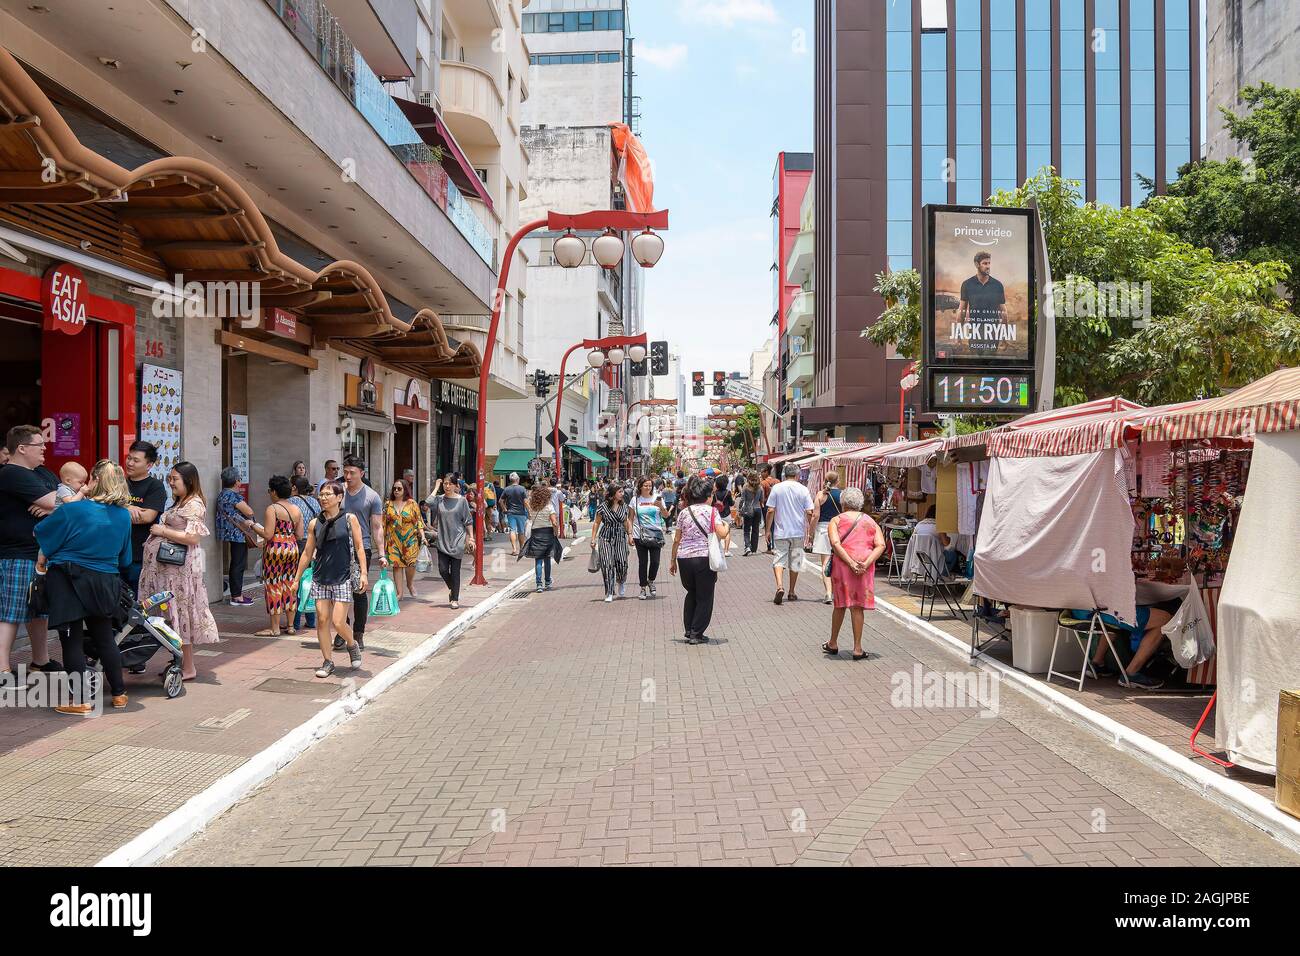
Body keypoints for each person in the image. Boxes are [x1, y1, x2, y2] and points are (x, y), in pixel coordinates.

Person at [36, 459, 134, 715]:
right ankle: (119, 694)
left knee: (72, 641)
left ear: (96, 481)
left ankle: (79, 700)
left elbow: (43, 533)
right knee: (105, 638)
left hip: (68, 579)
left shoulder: (74, 510)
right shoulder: (124, 515)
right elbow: (125, 558)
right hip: (106, 581)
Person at [138, 461, 221, 682]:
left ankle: (188, 666)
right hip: (167, 571)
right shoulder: (179, 502)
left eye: (175, 479)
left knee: (181, 612)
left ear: (188, 480)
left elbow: (192, 537)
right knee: (171, 613)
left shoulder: (194, 504)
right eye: (170, 478)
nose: (171, 482)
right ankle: (179, 661)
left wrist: (162, 530)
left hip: (180, 572)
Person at [0, 424, 61, 679]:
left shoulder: (43, 473)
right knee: (10, 612)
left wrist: (54, 506)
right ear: (22, 448)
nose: (45, 448)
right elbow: (57, 501)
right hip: (17, 554)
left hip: (41, 554)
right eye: (39, 445)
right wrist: (54, 505)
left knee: (38, 611)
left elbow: (63, 500)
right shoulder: (11, 473)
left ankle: (40, 660)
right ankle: (2, 668)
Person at [292, 480, 364, 678]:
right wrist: (297, 578)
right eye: (321, 495)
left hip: (342, 577)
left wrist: (364, 573)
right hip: (320, 576)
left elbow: (359, 548)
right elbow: (307, 553)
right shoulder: (315, 523)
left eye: (328, 494)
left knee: (338, 622)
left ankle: (352, 643)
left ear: (339, 498)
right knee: (322, 620)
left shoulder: (350, 519)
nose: (323, 498)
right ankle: (327, 661)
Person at [824, 487, 885, 661]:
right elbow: (880, 545)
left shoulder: (836, 520)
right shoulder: (870, 521)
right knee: (857, 606)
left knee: (840, 604)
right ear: (860, 503)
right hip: (863, 565)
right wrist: (865, 563)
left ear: (843, 503)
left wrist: (850, 563)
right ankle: (857, 648)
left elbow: (835, 543)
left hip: (843, 566)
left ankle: (833, 642)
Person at [669, 475, 729, 645]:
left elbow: (676, 539)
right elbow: (722, 533)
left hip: (684, 559)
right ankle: (696, 633)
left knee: (692, 593)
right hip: (703, 558)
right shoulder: (712, 511)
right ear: (707, 496)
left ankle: (689, 629)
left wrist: (673, 560)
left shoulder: (683, 512)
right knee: (705, 596)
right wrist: (727, 525)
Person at [336, 456, 385, 652]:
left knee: (359, 592)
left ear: (362, 474)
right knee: (338, 592)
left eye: (352, 473)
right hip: (337, 547)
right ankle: (342, 631)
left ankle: (358, 634)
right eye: (345, 472)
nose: (347, 476)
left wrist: (381, 553)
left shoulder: (372, 496)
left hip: (360, 548)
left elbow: (377, 526)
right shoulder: (337, 492)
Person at [250, 475, 302, 637]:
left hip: (275, 550)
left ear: (274, 491)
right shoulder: (296, 509)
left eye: (269, 490)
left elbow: (268, 534)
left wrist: (252, 525)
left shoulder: (272, 509)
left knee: (274, 586)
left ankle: (275, 628)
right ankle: (291, 626)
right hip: (292, 548)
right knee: (289, 585)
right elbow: (300, 535)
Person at [766, 462, 816, 605]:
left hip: (781, 531)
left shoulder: (777, 488)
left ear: (784, 474)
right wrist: (811, 532)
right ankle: (792, 591)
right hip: (798, 531)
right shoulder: (803, 489)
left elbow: (770, 510)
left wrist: (767, 530)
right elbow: (809, 512)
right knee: (795, 561)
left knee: (779, 560)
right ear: (798, 474)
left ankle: (780, 586)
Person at [122, 440, 167, 594]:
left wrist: (118, 510)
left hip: (139, 555)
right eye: (129, 458)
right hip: (115, 553)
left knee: (136, 599)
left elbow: (147, 517)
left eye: (136, 460)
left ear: (149, 465)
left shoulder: (155, 486)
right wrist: (128, 508)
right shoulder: (119, 483)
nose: (130, 463)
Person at [215, 467, 258, 606]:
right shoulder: (233, 495)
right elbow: (249, 511)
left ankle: (235, 593)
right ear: (236, 481)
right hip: (237, 532)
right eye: (239, 479)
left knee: (236, 562)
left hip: (226, 530)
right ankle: (237, 596)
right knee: (238, 563)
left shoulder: (222, 494)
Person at [431, 472, 474, 610]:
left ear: (456, 485)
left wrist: (471, 538)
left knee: (455, 572)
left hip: (458, 540)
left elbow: (468, 521)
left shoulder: (462, 501)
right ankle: (453, 588)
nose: (447, 486)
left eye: (450, 484)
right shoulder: (439, 499)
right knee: (443, 570)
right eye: (445, 483)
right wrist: (436, 486)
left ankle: (454, 598)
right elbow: (427, 503)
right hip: (442, 540)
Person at [289, 476, 321, 632]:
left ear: (294, 487)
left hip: (298, 545)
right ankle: (310, 619)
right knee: (309, 580)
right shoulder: (315, 501)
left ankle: (294, 622)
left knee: (297, 581)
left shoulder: (291, 502)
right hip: (313, 544)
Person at [591, 484, 634, 602]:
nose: (622, 494)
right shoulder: (602, 507)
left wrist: (630, 535)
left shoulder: (624, 506)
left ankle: (621, 581)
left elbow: (626, 522)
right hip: (605, 536)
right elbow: (596, 523)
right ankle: (609, 591)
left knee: (622, 562)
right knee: (607, 564)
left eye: (622, 492)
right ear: (613, 493)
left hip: (620, 535)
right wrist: (593, 539)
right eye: (620, 492)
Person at [384, 478, 425, 600]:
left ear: (405, 489)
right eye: (394, 488)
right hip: (393, 540)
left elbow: (419, 522)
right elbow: (383, 523)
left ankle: (410, 584)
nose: (396, 491)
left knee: (411, 564)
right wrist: (383, 541)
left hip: (410, 539)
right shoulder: (388, 504)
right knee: (397, 566)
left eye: (399, 488)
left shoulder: (412, 504)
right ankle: (399, 593)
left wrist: (422, 537)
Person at [632, 476, 669, 600]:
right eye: (645, 485)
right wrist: (629, 534)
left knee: (655, 561)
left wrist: (661, 506)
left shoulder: (657, 497)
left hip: (655, 534)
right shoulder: (635, 500)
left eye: (650, 485)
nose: (648, 488)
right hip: (639, 535)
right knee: (643, 563)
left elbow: (666, 515)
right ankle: (643, 588)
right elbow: (630, 518)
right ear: (640, 487)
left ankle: (651, 580)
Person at [812, 472, 844, 605]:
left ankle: (828, 593)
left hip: (823, 530)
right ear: (838, 481)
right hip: (839, 529)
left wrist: (810, 531)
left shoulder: (820, 495)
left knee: (825, 563)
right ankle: (839, 592)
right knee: (840, 562)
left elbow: (815, 516)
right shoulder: (843, 495)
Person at [524, 484, 559, 593]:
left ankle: (539, 584)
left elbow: (530, 518)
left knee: (538, 559)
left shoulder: (533, 507)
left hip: (536, 533)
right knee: (547, 558)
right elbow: (554, 522)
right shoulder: (549, 507)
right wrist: (556, 531)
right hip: (547, 533)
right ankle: (547, 581)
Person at [499, 472, 529, 557]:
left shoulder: (507, 489)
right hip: (521, 513)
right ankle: (522, 549)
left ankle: (514, 549)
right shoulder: (522, 489)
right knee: (521, 531)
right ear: (517, 479)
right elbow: (526, 502)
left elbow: (500, 501)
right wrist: (529, 512)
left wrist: (504, 509)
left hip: (510, 513)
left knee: (512, 530)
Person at [738, 471, 764, 557]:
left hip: (748, 510)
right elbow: (762, 500)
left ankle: (747, 547)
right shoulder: (760, 488)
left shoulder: (745, 487)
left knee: (746, 530)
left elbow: (742, 500)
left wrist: (739, 508)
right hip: (757, 509)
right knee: (755, 530)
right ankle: (754, 549)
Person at [713, 474, 735, 557]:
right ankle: (726, 551)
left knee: (717, 532)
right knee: (727, 532)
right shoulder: (728, 492)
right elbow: (731, 503)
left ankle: (718, 550)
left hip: (717, 515)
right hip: (726, 514)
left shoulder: (714, 493)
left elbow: (712, 504)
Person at [759, 463, 778, 554]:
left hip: (767, 506)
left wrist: (761, 503)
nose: (761, 474)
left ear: (767, 472)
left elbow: (762, 497)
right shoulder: (777, 481)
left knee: (768, 527)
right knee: (776, 526)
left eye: (762, 472)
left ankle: (770, 547)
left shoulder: (763, 483)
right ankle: (776, 546)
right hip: (777, 506)